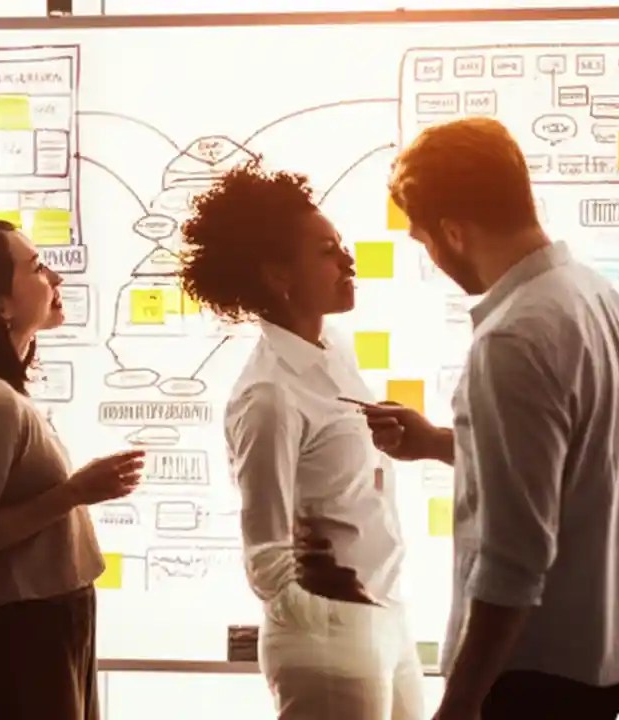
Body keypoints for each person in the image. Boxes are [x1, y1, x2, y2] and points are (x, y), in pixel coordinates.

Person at [370, 116, 619, 720]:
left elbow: (514, 556)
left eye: (424, 241)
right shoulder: (594, 297)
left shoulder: (512, 338)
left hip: (532, 671)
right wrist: (437, 443)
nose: (432, 257)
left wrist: (459, 704)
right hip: (598, 660)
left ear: (453, 231)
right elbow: (565, 460)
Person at [177, 161, 424, 719]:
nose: (348, 260)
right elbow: (265, 555)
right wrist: (326, 619)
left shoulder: (333, 349)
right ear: (277, 275)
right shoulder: (268, 395)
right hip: (331, 640)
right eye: (327, 251)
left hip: (386, 614)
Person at [0, 219, 145, 719]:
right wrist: (75, 492)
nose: (55, 280)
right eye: (37, 268)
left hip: (47, 627)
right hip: (18, 640)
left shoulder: (1, 393)